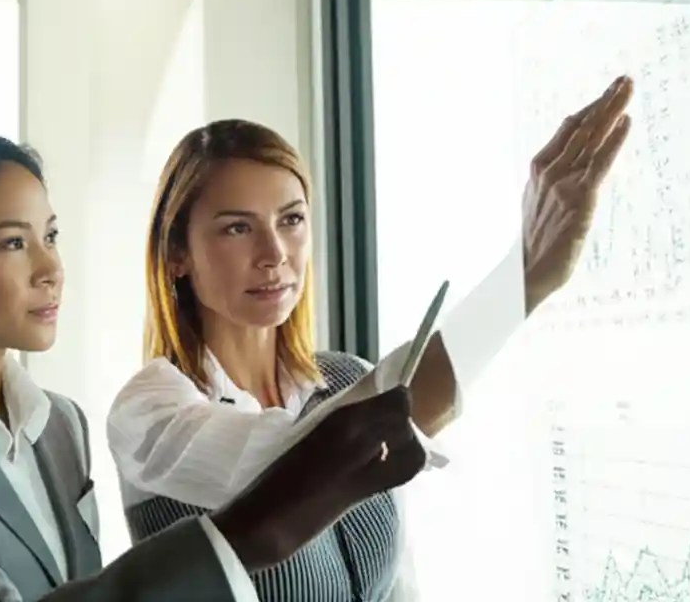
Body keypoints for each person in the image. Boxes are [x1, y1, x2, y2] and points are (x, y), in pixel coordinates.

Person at [0, 132, 428, 602]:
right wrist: (238, 538)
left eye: (50, 235)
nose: (50, 268)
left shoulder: (59, 425)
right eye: (12, 242)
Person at [106, 76, 635, 601]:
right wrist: (525, 278)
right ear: (177, 254)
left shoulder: (347, 377)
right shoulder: (149, 410)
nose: (274, 253)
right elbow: (309, 458)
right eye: (237, 228)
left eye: (291, 220)